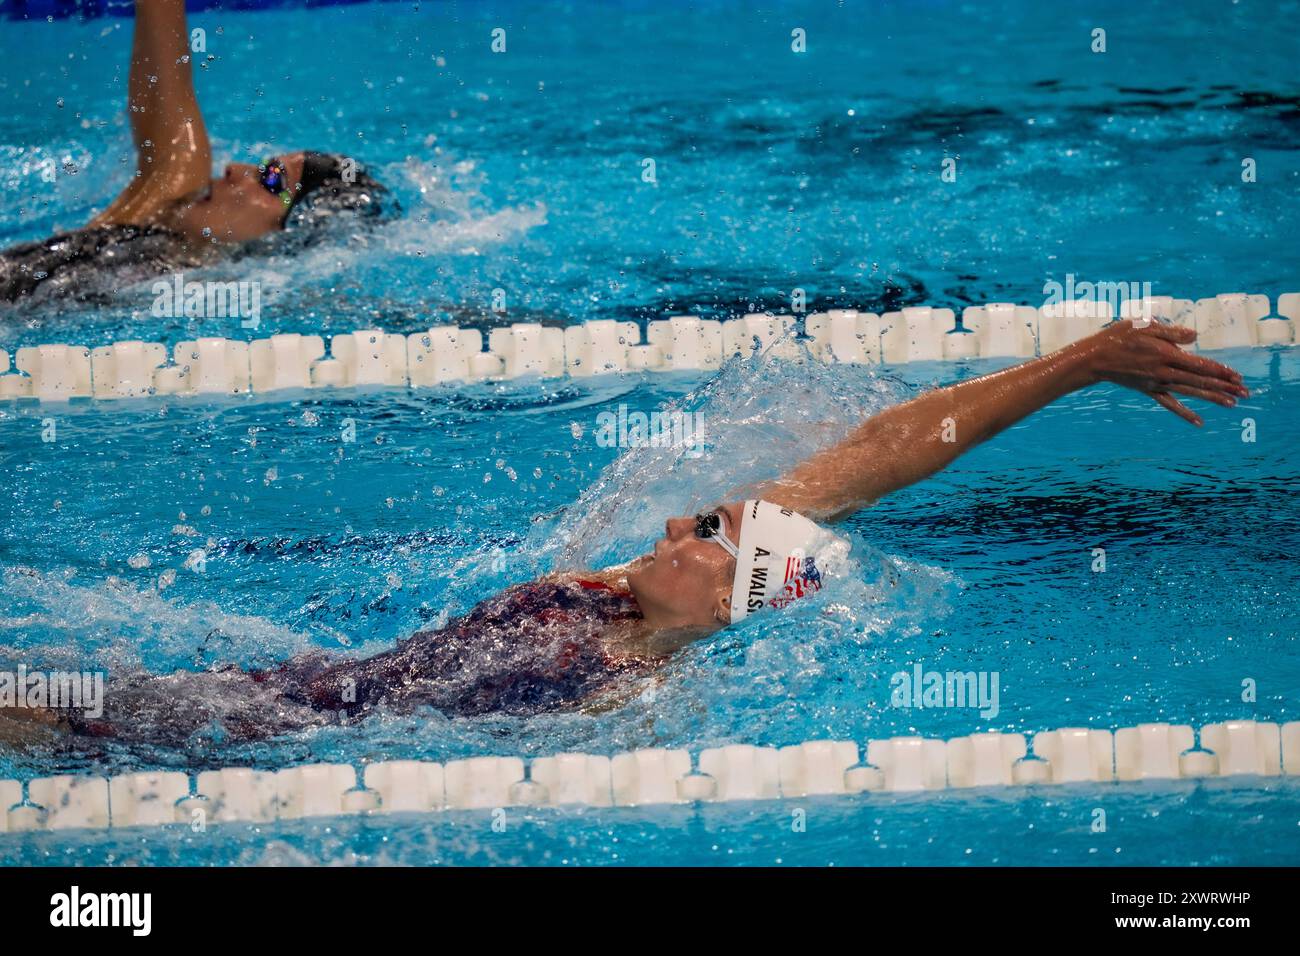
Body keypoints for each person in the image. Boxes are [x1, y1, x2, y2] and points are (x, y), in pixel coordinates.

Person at [0, 318, 1247, 749]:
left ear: (733, 594)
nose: (674, 517)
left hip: (241, 732)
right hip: (256, 694)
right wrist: (1078, 361)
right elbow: (885, 448)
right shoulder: (619, 598)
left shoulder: (623, 687)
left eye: (705, 528)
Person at [0, 0, 384, 305]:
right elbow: (164, 35)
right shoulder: (162, 202)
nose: (234, 168)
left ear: (293, 234)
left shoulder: (241, 306)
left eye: (270, 180)